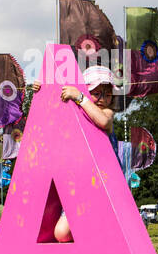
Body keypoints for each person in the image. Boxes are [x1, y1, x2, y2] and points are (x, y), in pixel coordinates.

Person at [51, 66, 118, 244]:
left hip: (103, 183)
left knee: (100, 230)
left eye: (108, 94)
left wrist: (80, 98)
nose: (103, 99)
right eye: (96, 93)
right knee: (61, 233)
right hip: (79, 183)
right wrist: (40, 88)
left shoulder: (107, 112)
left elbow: (103, 121)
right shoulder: (75, 113)